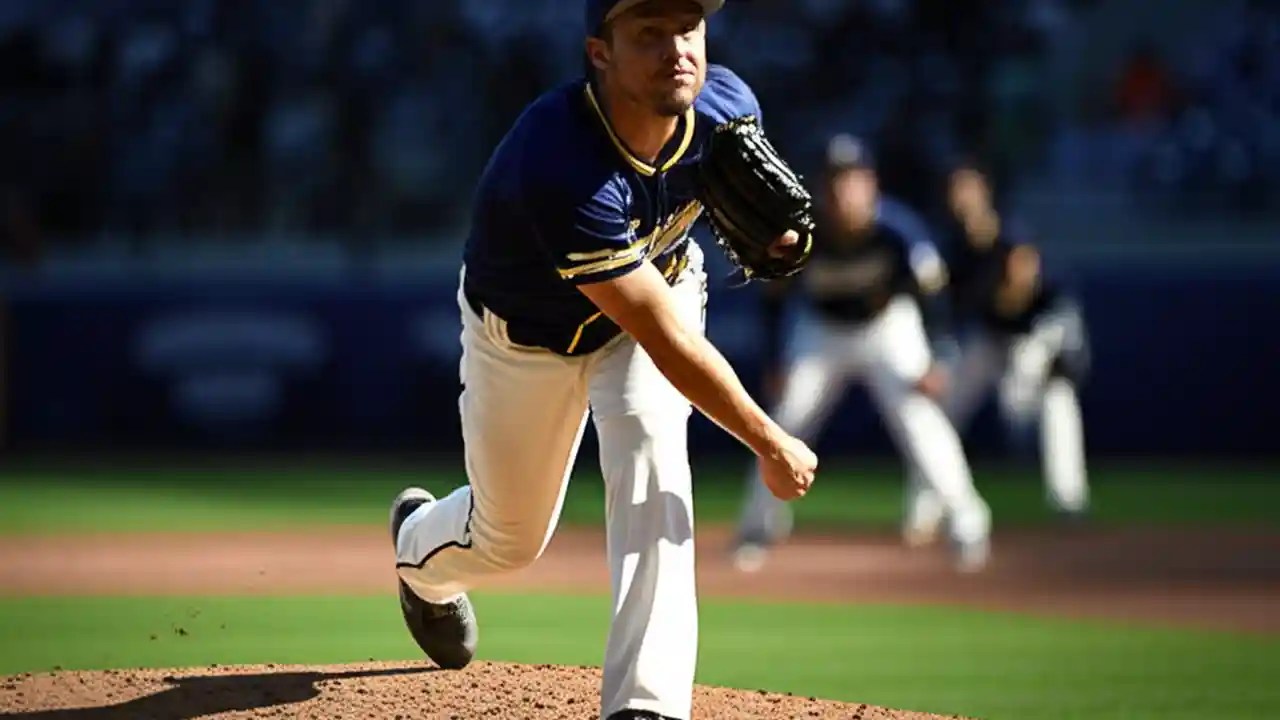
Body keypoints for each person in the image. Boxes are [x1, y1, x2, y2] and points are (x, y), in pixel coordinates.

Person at [389, 2, 818, 719]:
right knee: (509, 539)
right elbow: (658, 332)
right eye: (649, 33)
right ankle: (417, 555)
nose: (676, 49)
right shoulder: (560, 159)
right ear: (600, 53)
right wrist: (768, 441)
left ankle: (645, 706)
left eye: (688, 29)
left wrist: (779, 243)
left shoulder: (728, 106)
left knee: (651, 443)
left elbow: (688, 277)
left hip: (661, 283)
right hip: (528, 340)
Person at [732, 134, 991, 574]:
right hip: (821, 331)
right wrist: (776, 359)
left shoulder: (897, 230)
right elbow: (774, 299)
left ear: (871, 184)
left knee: (919, 420)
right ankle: (758, 526)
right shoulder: (802, 230)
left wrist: (938, 355)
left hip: (888, 327)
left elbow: (934, 295)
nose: (841, 192)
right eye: (833, 181)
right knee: (784, 422)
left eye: (851, 180)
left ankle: (967, 521)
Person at [903, 164, 1090, 543]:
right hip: (990, 337)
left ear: (985, 191)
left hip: (1040, 330)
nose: (962, 198)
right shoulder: (954, 246)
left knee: (1055, 401)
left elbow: (1026, 289)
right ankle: (926, 508)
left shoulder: (1011, 232)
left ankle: (1069, 500)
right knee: (940, 413)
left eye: (968, 188)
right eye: (955, 190)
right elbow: (947, 299)